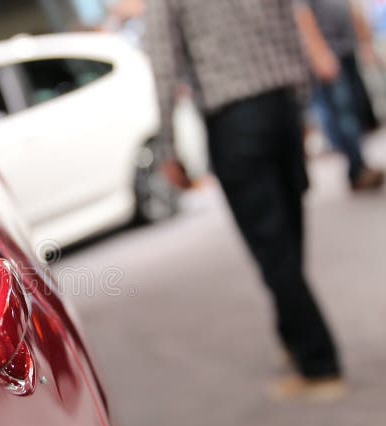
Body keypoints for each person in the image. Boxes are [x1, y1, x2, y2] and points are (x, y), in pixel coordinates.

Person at [145, 0, 345, 400]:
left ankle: (319, 365)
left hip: (234, 121)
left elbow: (165, 63)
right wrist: (300, 105)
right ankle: (292, 335)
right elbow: (293, 21)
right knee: (288, 234)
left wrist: (167, 146)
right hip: (282, 107)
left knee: (274, 249)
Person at [295, 0, 384, 191]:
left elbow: (352, 8)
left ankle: (358, 163)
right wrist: (318, 53)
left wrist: (364, 41)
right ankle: (356, 167)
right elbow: (300, 13)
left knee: (354, 107)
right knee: (342, 111)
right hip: (328, 51)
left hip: (346, 47)